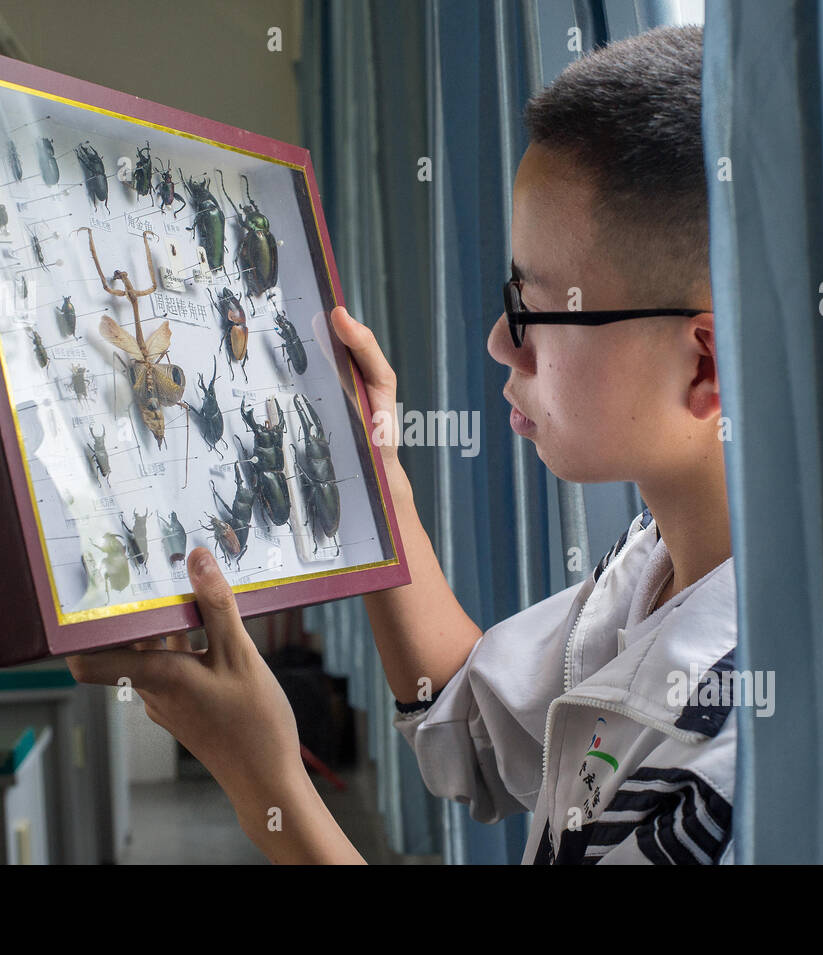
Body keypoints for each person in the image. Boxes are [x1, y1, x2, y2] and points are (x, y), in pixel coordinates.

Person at [67, 23, 735, 865]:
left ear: (704, 365)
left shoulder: (731, 762)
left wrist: (264, 780)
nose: (500, 339)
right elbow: (472, 722)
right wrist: (371, 462)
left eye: (532, 308)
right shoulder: (655, 567)